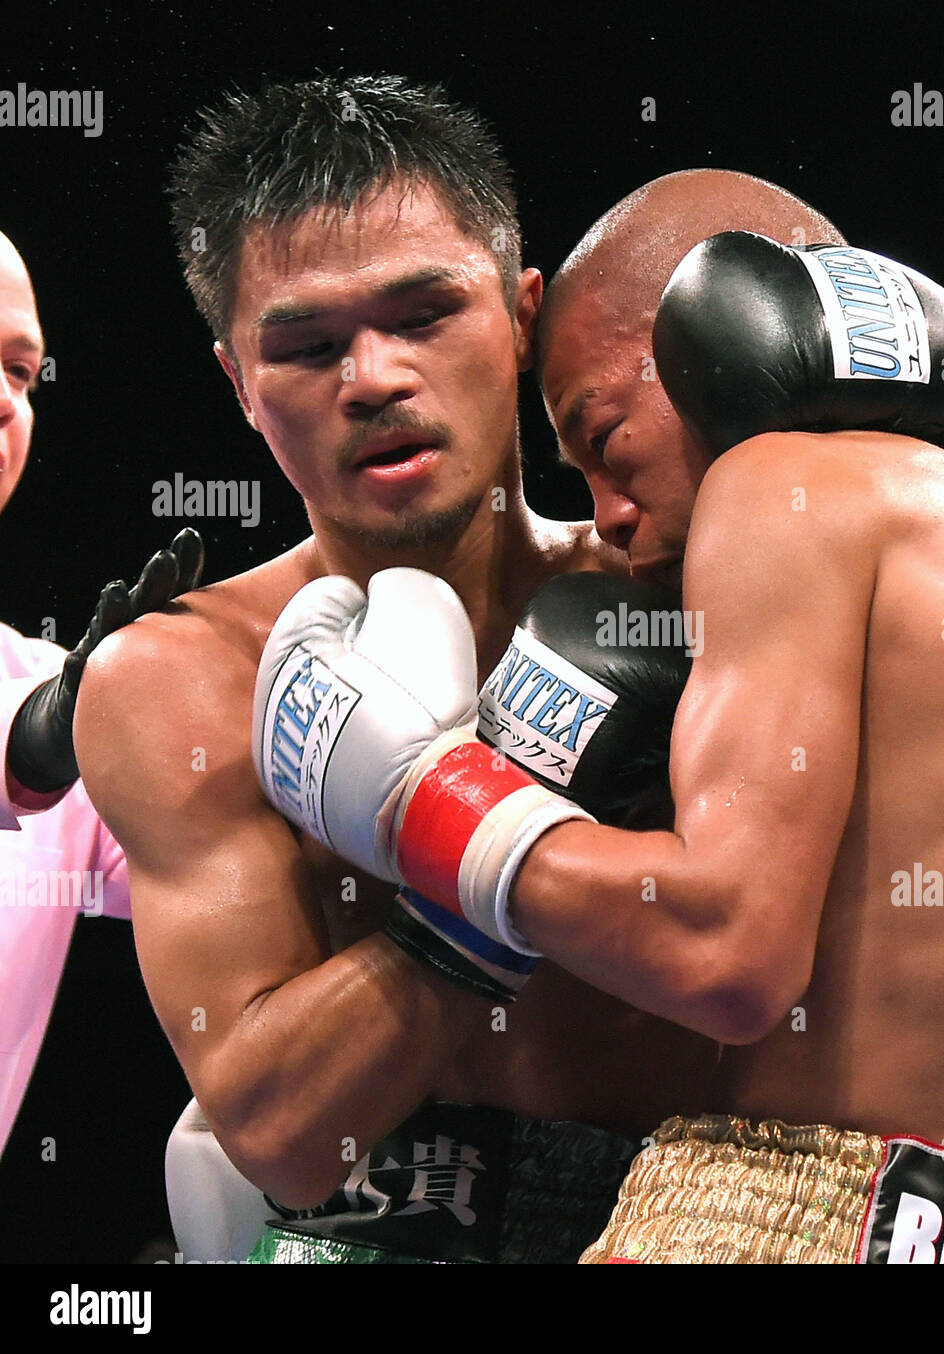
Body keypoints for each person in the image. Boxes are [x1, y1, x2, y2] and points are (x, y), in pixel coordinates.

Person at [255, 169, 944, 1263]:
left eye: (607, 442)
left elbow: (724, 951)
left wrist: (418, 798)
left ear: (705, 348)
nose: (611, 521)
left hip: (772, 1217)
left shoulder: (780, 492)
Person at [73, 76, 718, 1265]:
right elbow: (277, 1132)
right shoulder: (176, 679)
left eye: (422, 315)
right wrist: (494, 835)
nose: (370, 376)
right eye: (309, 345)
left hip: (698, 1217)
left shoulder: (688, 584)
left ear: (524, 315)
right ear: (237, 384)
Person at [0, 229, 200, 1164]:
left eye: (19, 370)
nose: (6, 402)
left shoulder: (52, 689)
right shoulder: (43, 713)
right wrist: (27, 749)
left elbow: (217, 857)